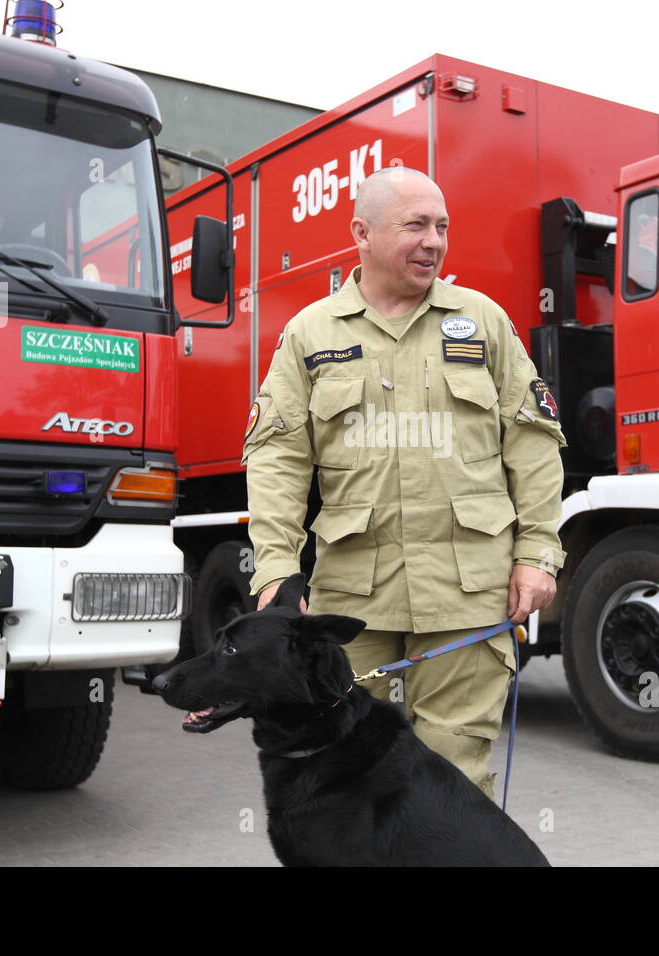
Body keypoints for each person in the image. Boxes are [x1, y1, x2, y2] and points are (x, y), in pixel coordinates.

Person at [241, 166, 567, 799]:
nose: (434, 241)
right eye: (415, 225)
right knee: (346, 774)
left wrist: (537, 553)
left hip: (469, 593)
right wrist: (276, 571)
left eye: (442, 227)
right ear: (361, 233)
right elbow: (278, 457)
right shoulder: (311, 334)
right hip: (352, 602)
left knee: (452, 780)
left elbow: (533, 442)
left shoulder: (482, 323)